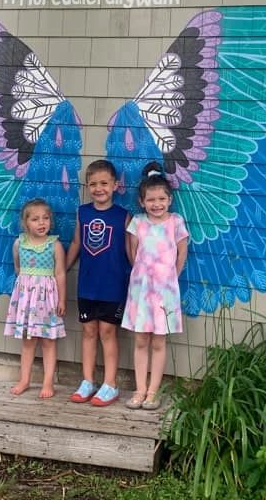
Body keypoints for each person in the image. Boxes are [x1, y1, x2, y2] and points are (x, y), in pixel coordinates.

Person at [122, 162, 189, 411]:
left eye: (162, 199)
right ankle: (139, 389)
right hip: (141, 291)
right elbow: (132, 252)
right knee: (140, 341)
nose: (157, 204)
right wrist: (143, 276)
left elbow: (182, 253)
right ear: (142, 202)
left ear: (170, 199)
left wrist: (170, 278)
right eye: (151, 199)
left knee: (159, 342)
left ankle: (153, 391)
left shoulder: (176, 221)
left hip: (165, 292)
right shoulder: (138, 222)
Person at [66, 160, 132, 406]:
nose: (98, 188)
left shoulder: (123, 216)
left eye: (104, 183)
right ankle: (87, 381)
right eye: (93, 184)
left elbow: (131, 251)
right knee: (88, 331)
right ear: (87, 186)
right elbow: (76, 242)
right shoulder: (82, 212)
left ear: (115, 185)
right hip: (87, 284)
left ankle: (110, 384)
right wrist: (62, 268)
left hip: (113, 285)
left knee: (107, 332)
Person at [4, 198, 67, 399]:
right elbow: (18, 268)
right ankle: (24, 380)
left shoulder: (54, 245)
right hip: (26, 300)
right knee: (28, 341)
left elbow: (60, 274)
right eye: (35, 219)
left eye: (45, 218)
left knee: (48, 341)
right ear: (25, 223)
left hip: (46, 300)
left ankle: (48, 382)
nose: (41, 223)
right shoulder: (19, 243)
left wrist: (62, 300)